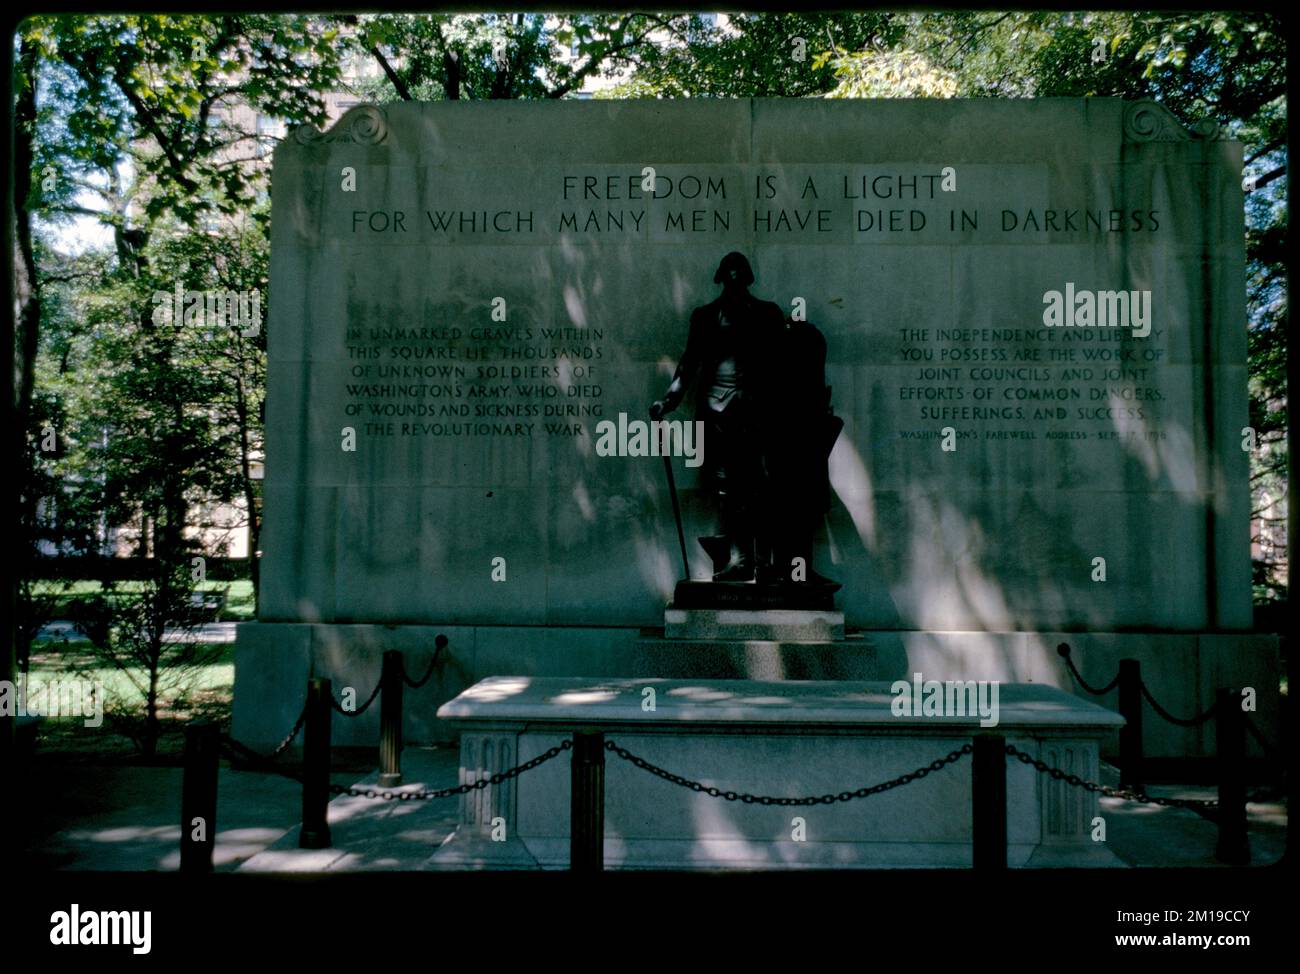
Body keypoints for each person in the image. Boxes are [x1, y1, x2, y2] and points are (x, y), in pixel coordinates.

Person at [651, 252, 783, 581]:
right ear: (721, 279)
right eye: (729, 277)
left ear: (748, 279)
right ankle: (738, 559)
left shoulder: (768, 314)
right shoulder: (706, 317)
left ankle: (764, 561)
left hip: (756, 412)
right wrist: (669, 400)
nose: (735, 283)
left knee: (760, 487)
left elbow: (782, 367)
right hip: (718, 414)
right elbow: (689, 362)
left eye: (740, 277)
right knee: (728, 489)